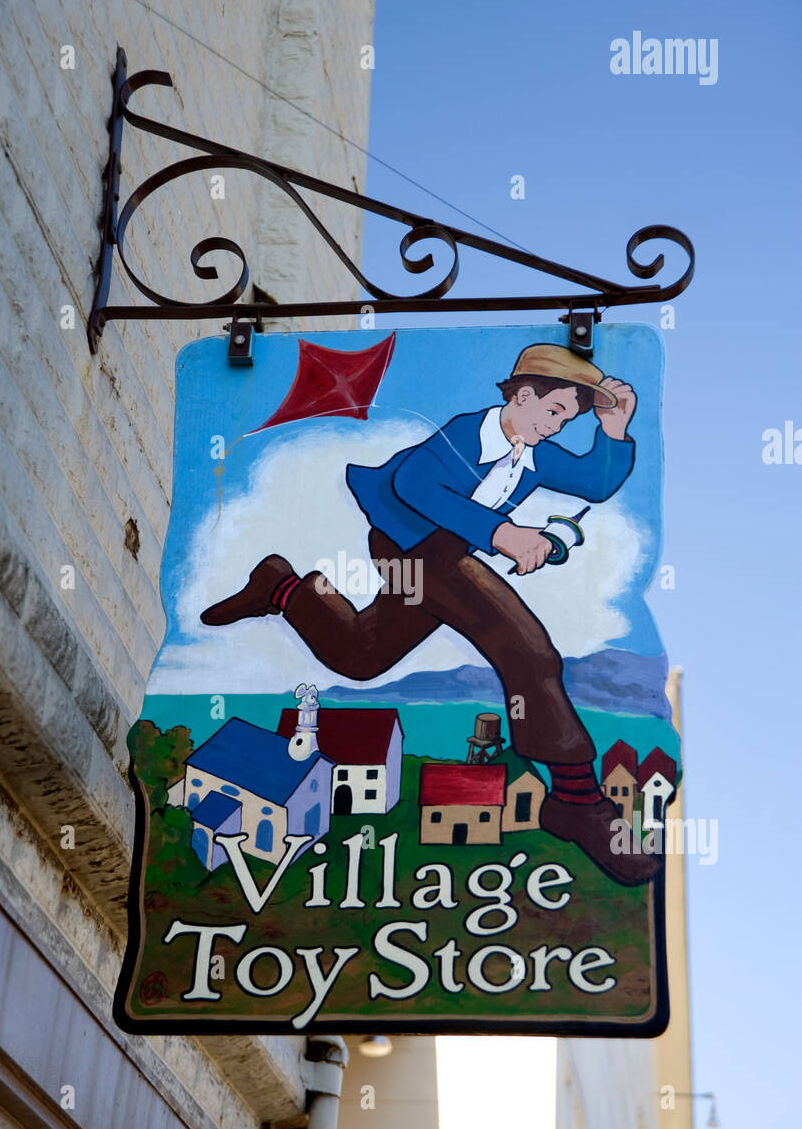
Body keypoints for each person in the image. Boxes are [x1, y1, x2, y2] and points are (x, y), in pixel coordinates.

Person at [201, 343, 661, 885]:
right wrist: (503, 533)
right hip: (406, 544)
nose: (559, 427)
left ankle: (283, 588)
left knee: (361, 656)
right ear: (524, 394)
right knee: (526, 649)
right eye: (556, 411)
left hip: (446, 554)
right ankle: (575, 798)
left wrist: (612, 430)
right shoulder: (470, 433)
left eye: (569, 418)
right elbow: (414, 485)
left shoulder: (533, 452)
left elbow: (596, 483)